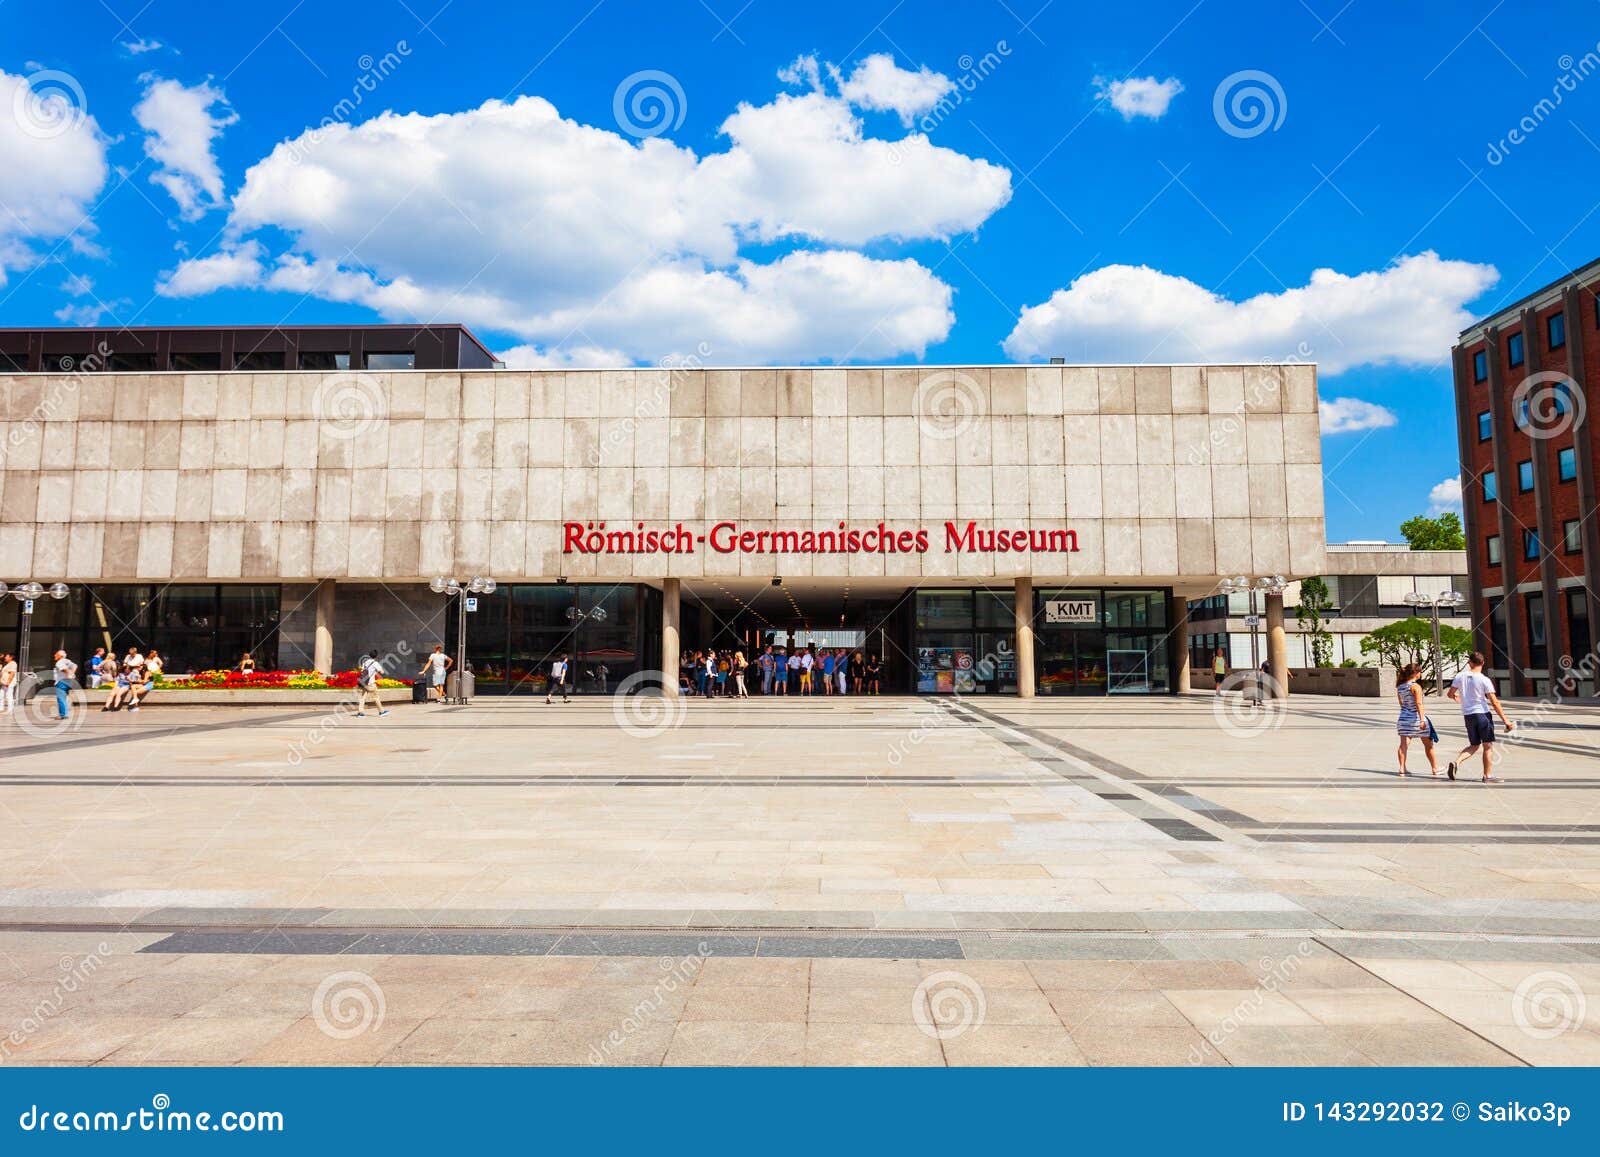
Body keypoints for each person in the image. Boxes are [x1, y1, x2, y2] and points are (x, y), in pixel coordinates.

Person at [1447, 652, 1514, 782]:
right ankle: (1487, 775)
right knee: (1487, 746)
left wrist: (1456, 697)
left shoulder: (1460, 676)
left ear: (1470, 663)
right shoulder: (1484, 679)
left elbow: (1450, 694)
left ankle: (1457, 762)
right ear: (1483, 663)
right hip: (1483, 714)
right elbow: (1494, 701)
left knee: (1474, 745)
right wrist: (1506, 720)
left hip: (1468, 715)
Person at [1392, 662, 1439, 777]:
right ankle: (1435, 768)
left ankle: (1402, 768)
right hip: (1416, 719)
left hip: (1403, 719)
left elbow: (1401, 704)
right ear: (1415, 673)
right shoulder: (1416, 686)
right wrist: (1422, 720)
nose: (1420, 674)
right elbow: (1419, 703)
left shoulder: (1400, 687)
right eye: (1420, 672)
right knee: (1428, 745)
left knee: (1403, 745)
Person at [355, 649, 389, 716]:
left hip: (364, 683)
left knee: (363, 698)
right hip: (371, 683)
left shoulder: (365, 662)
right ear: (376, 656)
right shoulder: (375, 663)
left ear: (369, 655)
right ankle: (381, 711)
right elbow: (382, 672)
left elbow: (362, 670)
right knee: (376, 697)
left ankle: (360, 712)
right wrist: (377, 671)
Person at [52, 650, 77, 720]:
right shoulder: (67, 661)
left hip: (62, 681)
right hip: (69, 682)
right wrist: (72, 674)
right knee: (63, 698)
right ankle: (64, 713)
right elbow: (75, 666)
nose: (54, 655)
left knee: (61, 698)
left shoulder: (59, 662)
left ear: (61, 656)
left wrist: (69, 674)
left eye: (56, 654)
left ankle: (63, 714)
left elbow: (65, 669)